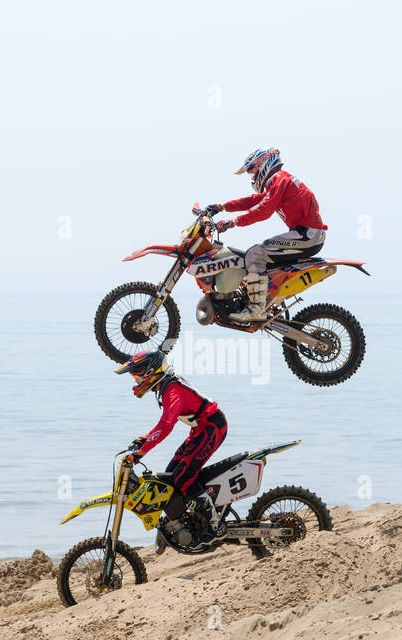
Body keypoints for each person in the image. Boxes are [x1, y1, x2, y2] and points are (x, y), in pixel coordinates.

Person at [202, 147, 328, 323]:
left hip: (307, 235)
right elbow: (254, 200)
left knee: (255, 254)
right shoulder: (279, 181)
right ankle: (260, 298)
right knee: (258, 253)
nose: (253, 177)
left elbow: (263, 210)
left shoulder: (279, 179)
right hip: (308, 234)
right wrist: (222, 207)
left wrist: (232, 222)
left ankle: (256, 309)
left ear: (262, 164)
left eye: (252, 171)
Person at [115, 349, 227, 538]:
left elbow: (167, 425)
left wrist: (142, 452)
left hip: (212, 427)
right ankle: (185, 523)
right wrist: (145, 438)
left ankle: (216, 526)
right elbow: (163, 423)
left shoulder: (172, 390)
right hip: (200, 429)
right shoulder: (167, 385)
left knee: (183, 476)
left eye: (137, 377)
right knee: (170, 477)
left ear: (149, 373)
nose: (136, 383)